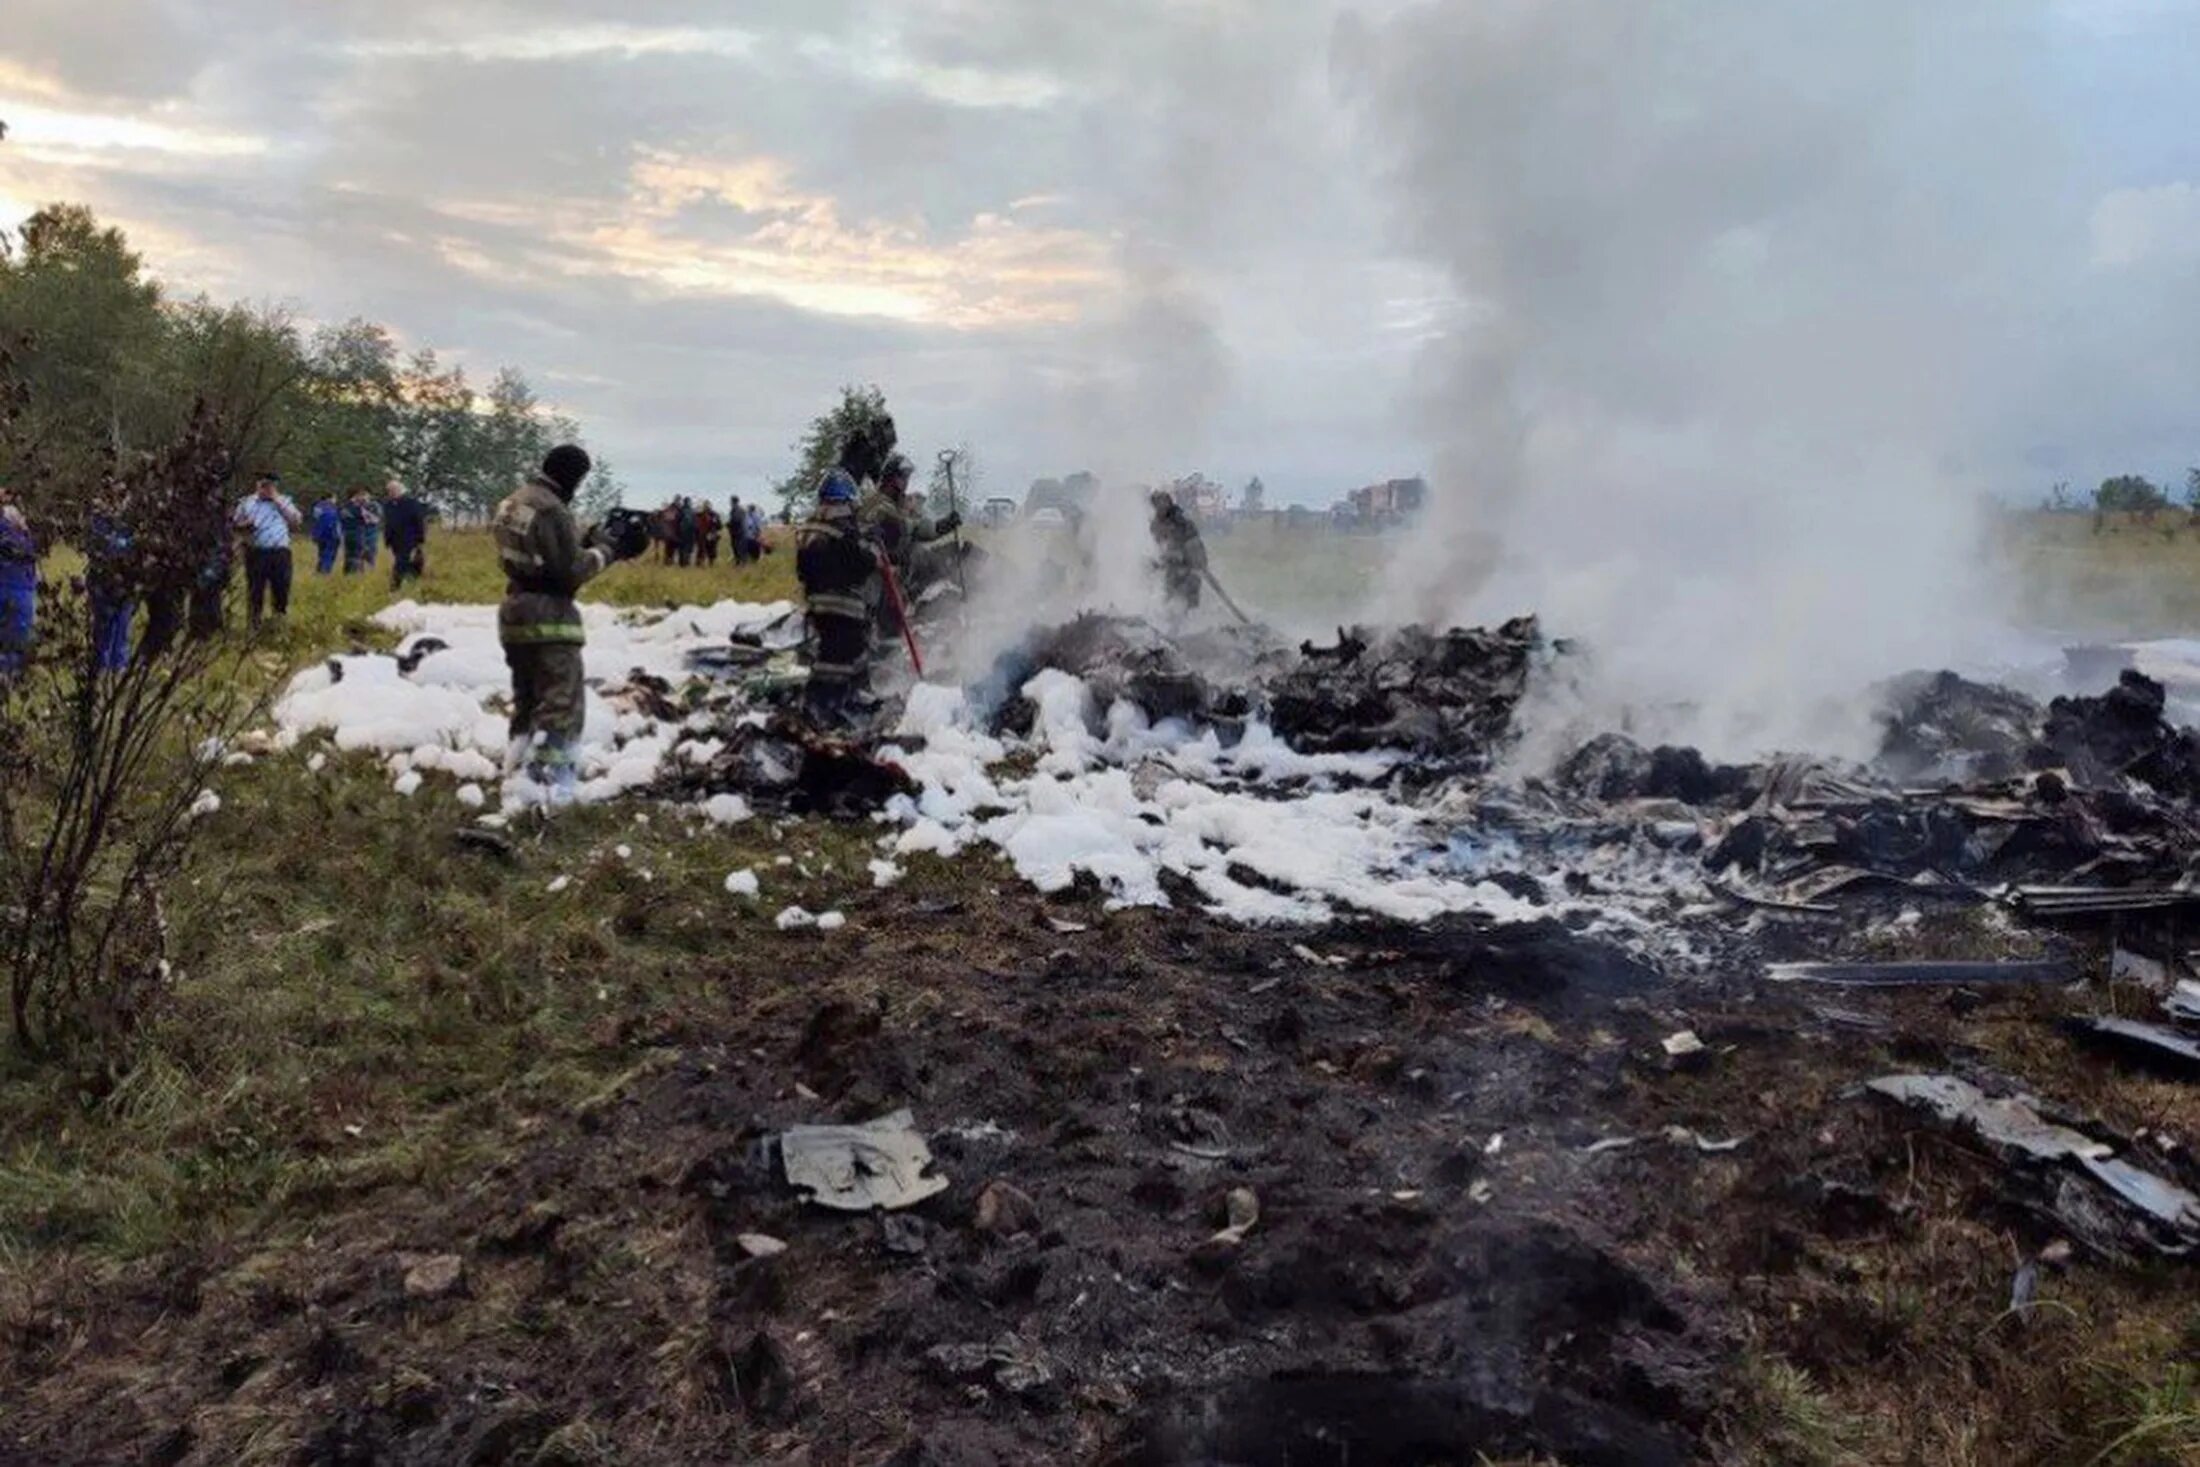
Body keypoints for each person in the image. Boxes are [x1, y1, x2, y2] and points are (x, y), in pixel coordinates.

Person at [491, 444, 644, 804]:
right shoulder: (553, 510)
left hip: (514, 610)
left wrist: (584, 541)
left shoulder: (514, 501)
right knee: (560, 703)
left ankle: (515, 771)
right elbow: (568, 573)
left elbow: (539, 553)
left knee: (527, 699)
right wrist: (609, 551)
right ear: (574, 476)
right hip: (549, 616)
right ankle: (546, 786)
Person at [796, 469, 878, 726]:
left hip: (817, 604)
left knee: (828, 655)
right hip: (845, 606)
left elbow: (802, 570)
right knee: (844, 659)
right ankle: (831, 706)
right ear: (846, 499)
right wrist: (871, 549)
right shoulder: (844, 529)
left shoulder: (809, 526)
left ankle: (824, 703)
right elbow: (861, 565)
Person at [233, 472, 302, 630]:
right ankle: (253, 625)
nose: (266, 489)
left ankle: (278, 623)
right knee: (255, 591)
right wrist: (245, 526)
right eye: (263, 485)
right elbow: (235, 524)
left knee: (281, 589)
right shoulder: (247, 503)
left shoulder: (284, 501)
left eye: (270, 486)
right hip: (256, 551)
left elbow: (296, 520)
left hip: (279, 551)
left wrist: (276, 500)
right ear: (257, 485)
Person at [1149, 489, 1207, 616]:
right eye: (1157, 504)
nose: (1160, 508)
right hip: (1170, 575)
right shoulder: (1155, 525)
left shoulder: (1184, 525)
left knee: (1186, 609)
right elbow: (1159, 551)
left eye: (1163, 503)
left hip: (1187, 575)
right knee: (1169, 607)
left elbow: (1198, 554)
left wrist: (1179, 557)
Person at [0, 484, 35, 676]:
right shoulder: (13, 530)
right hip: (15, 587)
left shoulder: (18, 528)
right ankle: (9, 673)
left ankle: (9, 674)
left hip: (18, 584)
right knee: (16, 636)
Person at [383, 478, 429, 590]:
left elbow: (419, 521)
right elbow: (388, 523)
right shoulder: (388, 504)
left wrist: (420, 539)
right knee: (405, 563)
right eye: (389, 490)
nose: (391, 492)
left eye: (393, 490)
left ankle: (394, 587)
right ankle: (411, 583)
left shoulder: (411, 503)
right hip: (395, 541)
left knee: (401, 563)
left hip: (409, 539)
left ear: (400, 490)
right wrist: (387, 538)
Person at [340, 488, 370, 573]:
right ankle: (356, 573)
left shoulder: (344, 506)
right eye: (364, 497)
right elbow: (367, 520)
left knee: (348, 555)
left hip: (347, 533)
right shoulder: (358, 508)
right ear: (358, 496)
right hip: (357, 533)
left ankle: (347, 573)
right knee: (358, 555)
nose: (365, 499)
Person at [311, 495, 342, 574]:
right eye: (334, 498)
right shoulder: (332, 508)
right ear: (329, 498)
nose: (335, 500)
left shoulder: (317, 507)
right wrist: (339, 536)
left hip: (319, 534)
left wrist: (314, 534)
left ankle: (319, 570)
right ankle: (325, 571)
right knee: (329, 554)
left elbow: (315, 521)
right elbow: (336, 523)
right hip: (331, 534)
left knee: (321, 553)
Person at [695, 500, 721, 566]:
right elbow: (696, 525)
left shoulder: (714, 515)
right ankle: (701, 563)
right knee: (703, 550)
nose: (707, 507)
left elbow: (719, 526)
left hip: (710, 535)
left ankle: (709, 563)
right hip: (703, 535)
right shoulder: (699, 515)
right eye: (706, 505)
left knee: (710, 550)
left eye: (707, 505)